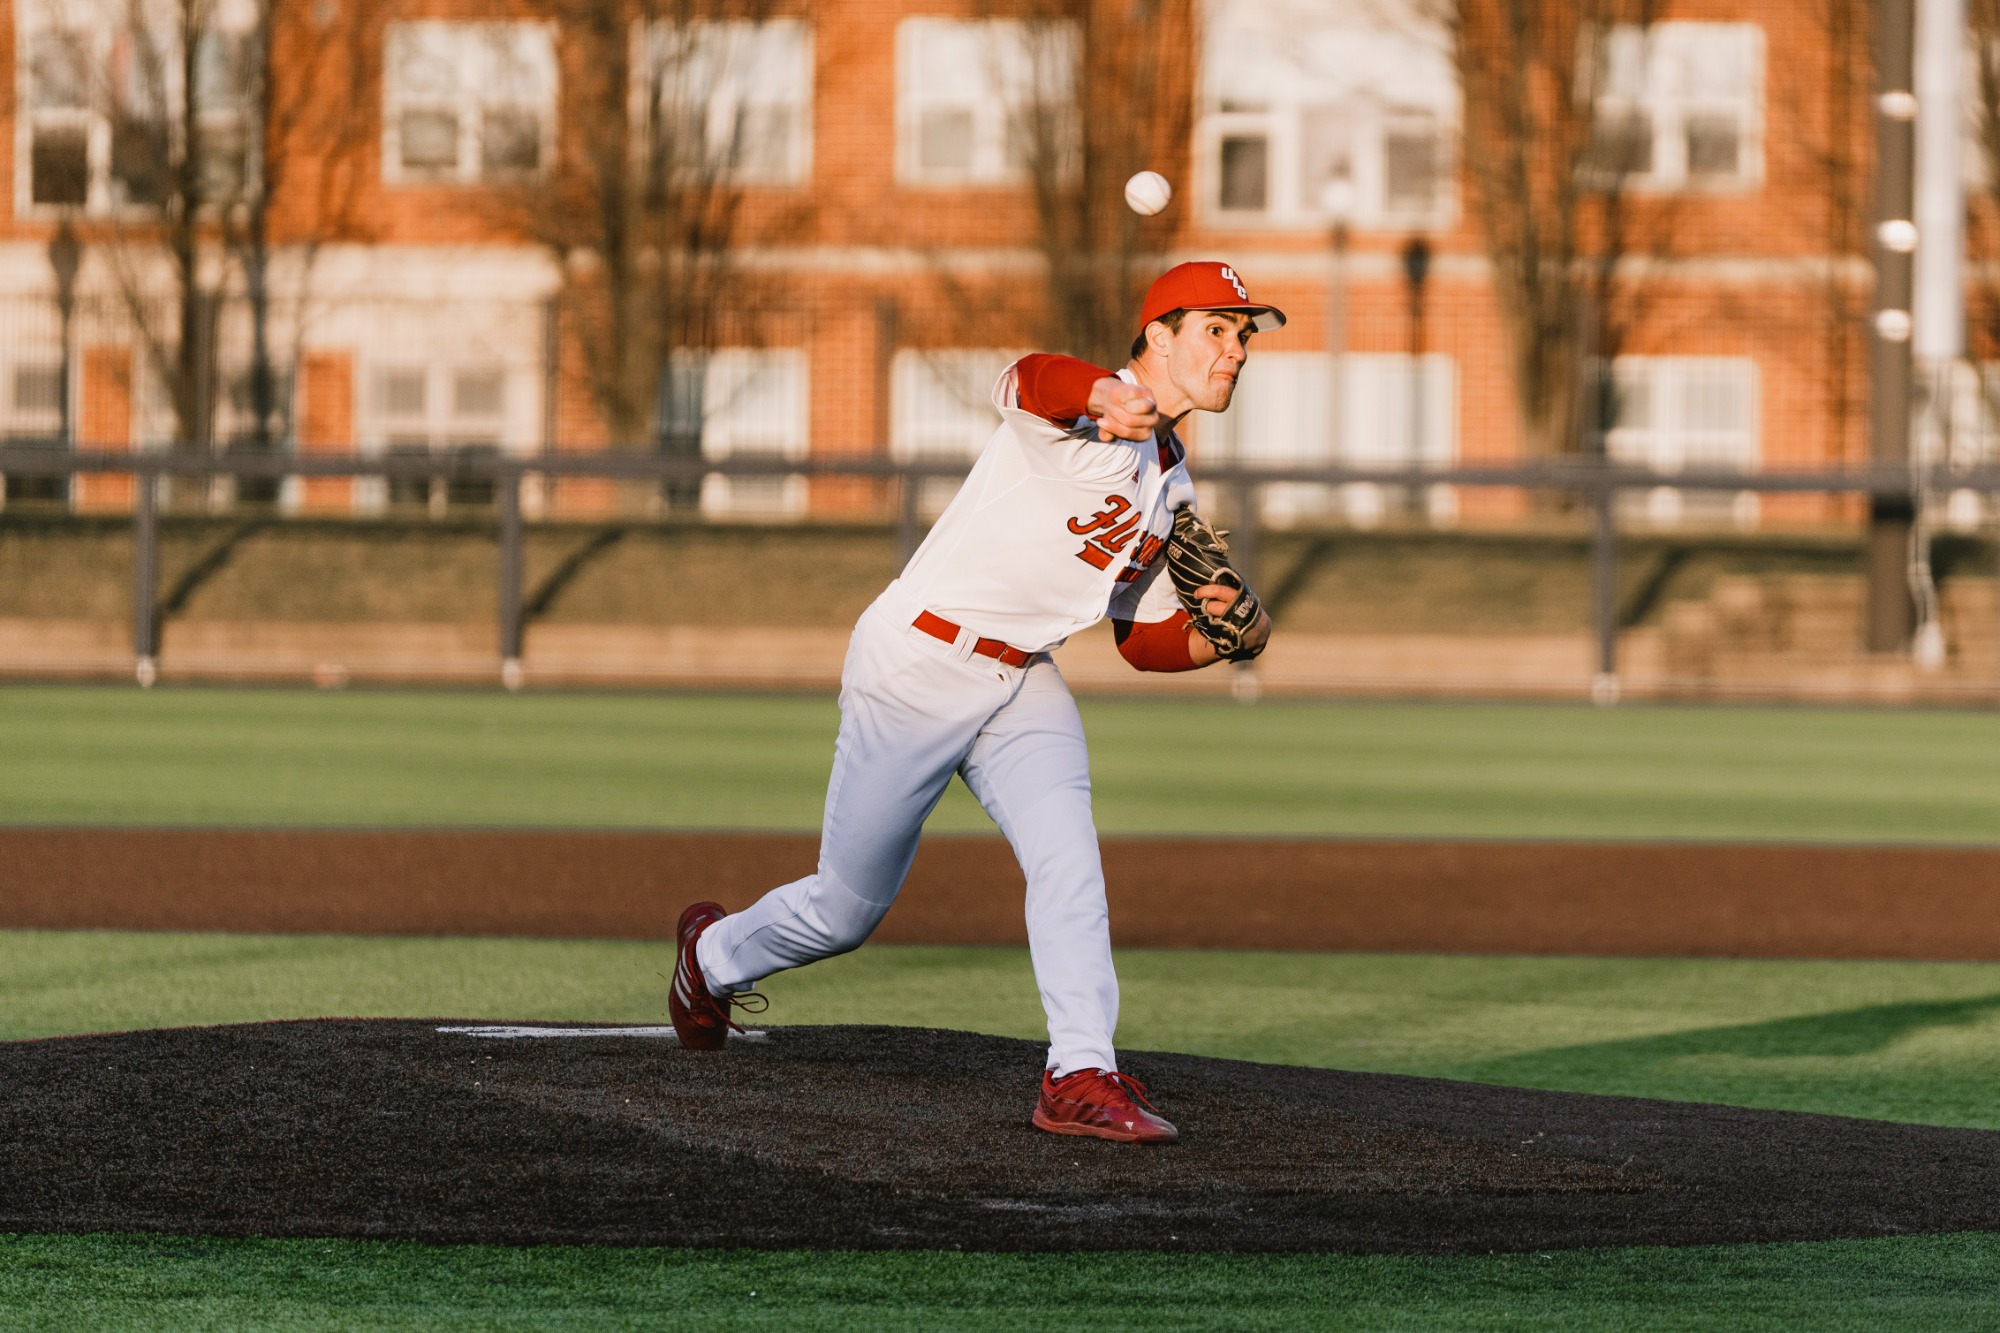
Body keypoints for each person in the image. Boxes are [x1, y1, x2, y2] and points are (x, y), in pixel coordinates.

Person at [670, 261, 1282, 1143]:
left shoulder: (1170, 484)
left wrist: (1225, 638)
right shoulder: (1076, 414)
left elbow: (1139, 639)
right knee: (846, 909)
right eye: (1217, 330)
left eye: (1245, 334)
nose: (1236, 350)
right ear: (1158, 335)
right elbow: (1030, 377)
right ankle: (711, 957)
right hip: (918, 659)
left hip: (1020, 679)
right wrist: (1104, 392)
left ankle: (1080, 1070)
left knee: (1069, 859)